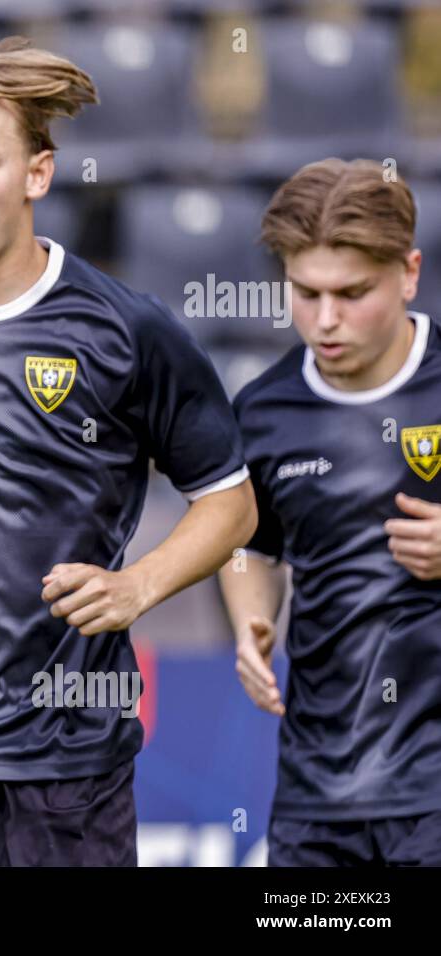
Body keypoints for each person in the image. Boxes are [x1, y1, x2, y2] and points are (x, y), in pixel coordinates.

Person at [0, 36, 257, 866]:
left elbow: (230, 500)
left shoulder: (126, 328)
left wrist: (139, 584)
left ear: (38, 174)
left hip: (69, 764)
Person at [219, 158, 441, 866]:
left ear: (408, 273)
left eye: (351, 293)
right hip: (318, 796)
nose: (325, 320)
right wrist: (250, 622)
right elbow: (248, 545)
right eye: (306, 293)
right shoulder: (264, 411)